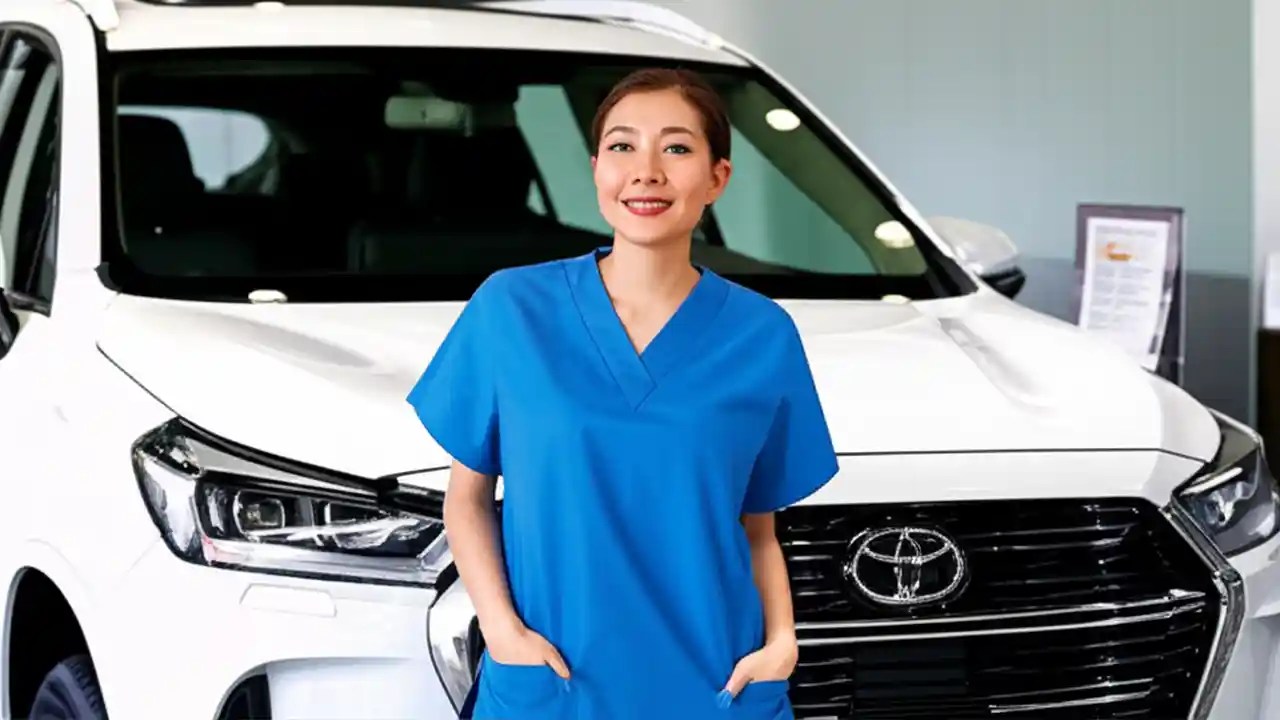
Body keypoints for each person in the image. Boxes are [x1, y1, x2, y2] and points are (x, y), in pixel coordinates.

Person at [407, 67, 839, 720]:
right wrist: (501, 632)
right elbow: (466, 502)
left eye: (676, 147)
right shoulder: (512, 309)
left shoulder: (763, 335)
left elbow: (757, 529)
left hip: (718, 686)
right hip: (554, 683)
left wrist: (782, 643)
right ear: (596, 168)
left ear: (718, 177)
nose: (646, 171)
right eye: (622, 146)